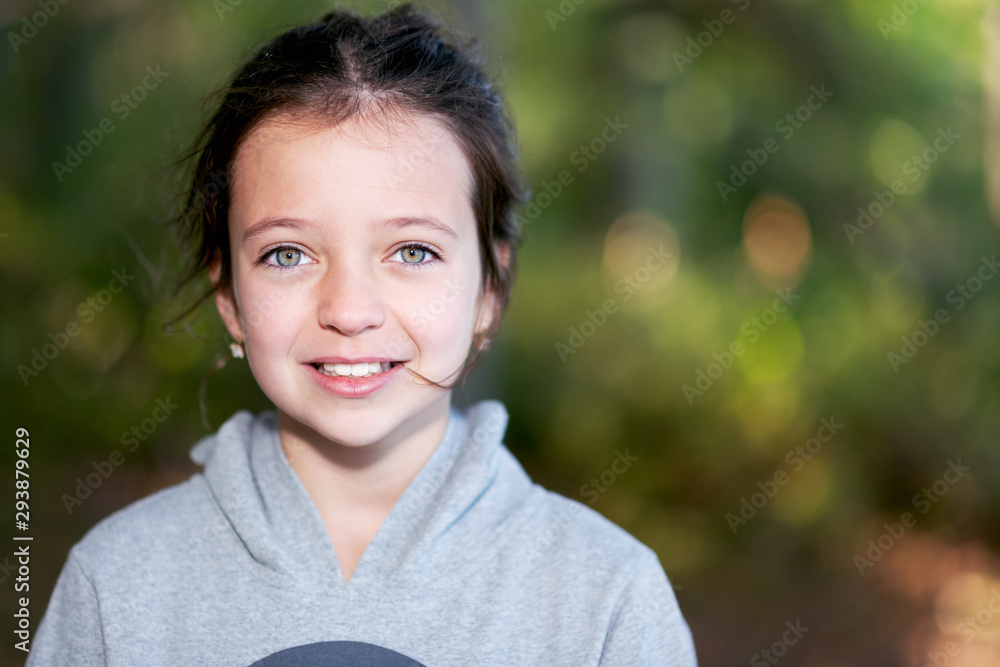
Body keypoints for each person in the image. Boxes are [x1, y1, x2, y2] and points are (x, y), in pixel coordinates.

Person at [28, 4, 698, 665]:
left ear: (488, 292)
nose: (349, 311)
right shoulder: (116, 586)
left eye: (412, 251)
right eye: (287, 254)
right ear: (230, 298)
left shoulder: (607, 599)